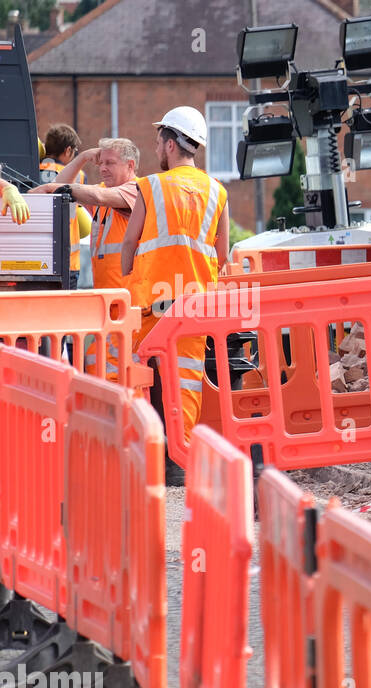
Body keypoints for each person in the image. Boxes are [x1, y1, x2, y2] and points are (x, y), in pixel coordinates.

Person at [121, 107, 229, 486]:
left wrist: (129, 280)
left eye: (158, 142)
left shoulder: (150, 187)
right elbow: (223, 255)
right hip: (194, 309)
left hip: (152, 307)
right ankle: (178, 465)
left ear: (170, 144)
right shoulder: (218, 191)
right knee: (184, 386)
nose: (156, 148)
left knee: (144, 382)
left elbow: (129, 244)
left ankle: (147, 462)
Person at [31, 138, 142, 381]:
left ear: (130, 165)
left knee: (120, 373)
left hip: (128, 304)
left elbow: (97, 196)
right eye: (100, 163)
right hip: (108, 304)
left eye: (110, 163)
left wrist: (51, 189)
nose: (102, 168)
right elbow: (64, 186)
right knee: (99, 370)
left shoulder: (137, 190)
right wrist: (81, 159)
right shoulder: (104, 193)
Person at [38, 124, 91, 275]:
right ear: (68, 150)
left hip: (37, 253)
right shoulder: (79, 176)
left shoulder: (32, 168)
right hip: (66, 258)